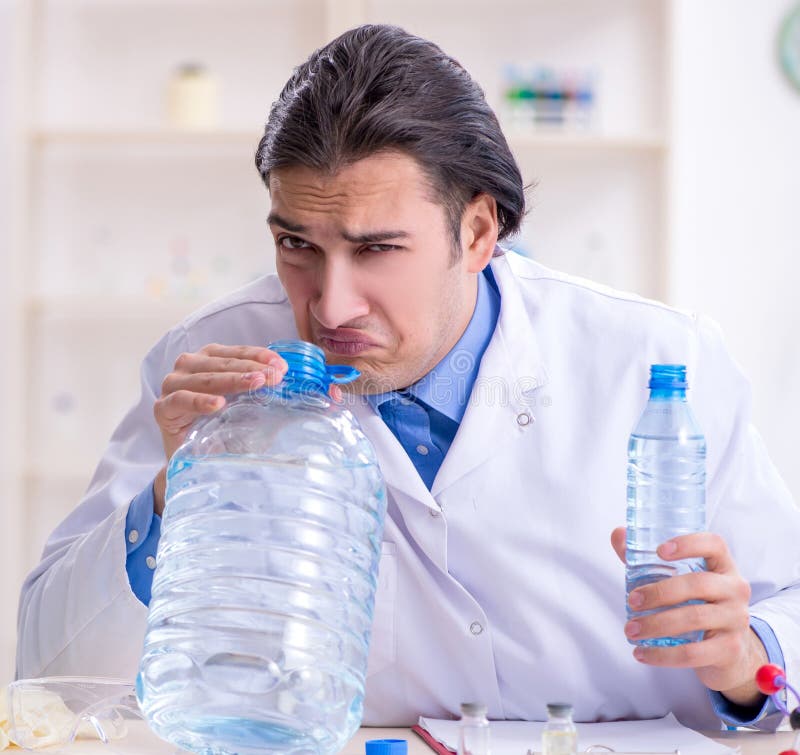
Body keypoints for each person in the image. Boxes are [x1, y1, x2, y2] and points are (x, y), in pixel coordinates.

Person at [16, 25, 800, 731]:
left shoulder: (658, 362)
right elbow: (49, 674)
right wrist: (173, 495)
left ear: (478, 231)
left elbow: (786, 607)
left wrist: (744, 661)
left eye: (377, 249)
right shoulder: (212, 361)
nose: (330, 302)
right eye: (297, 244)